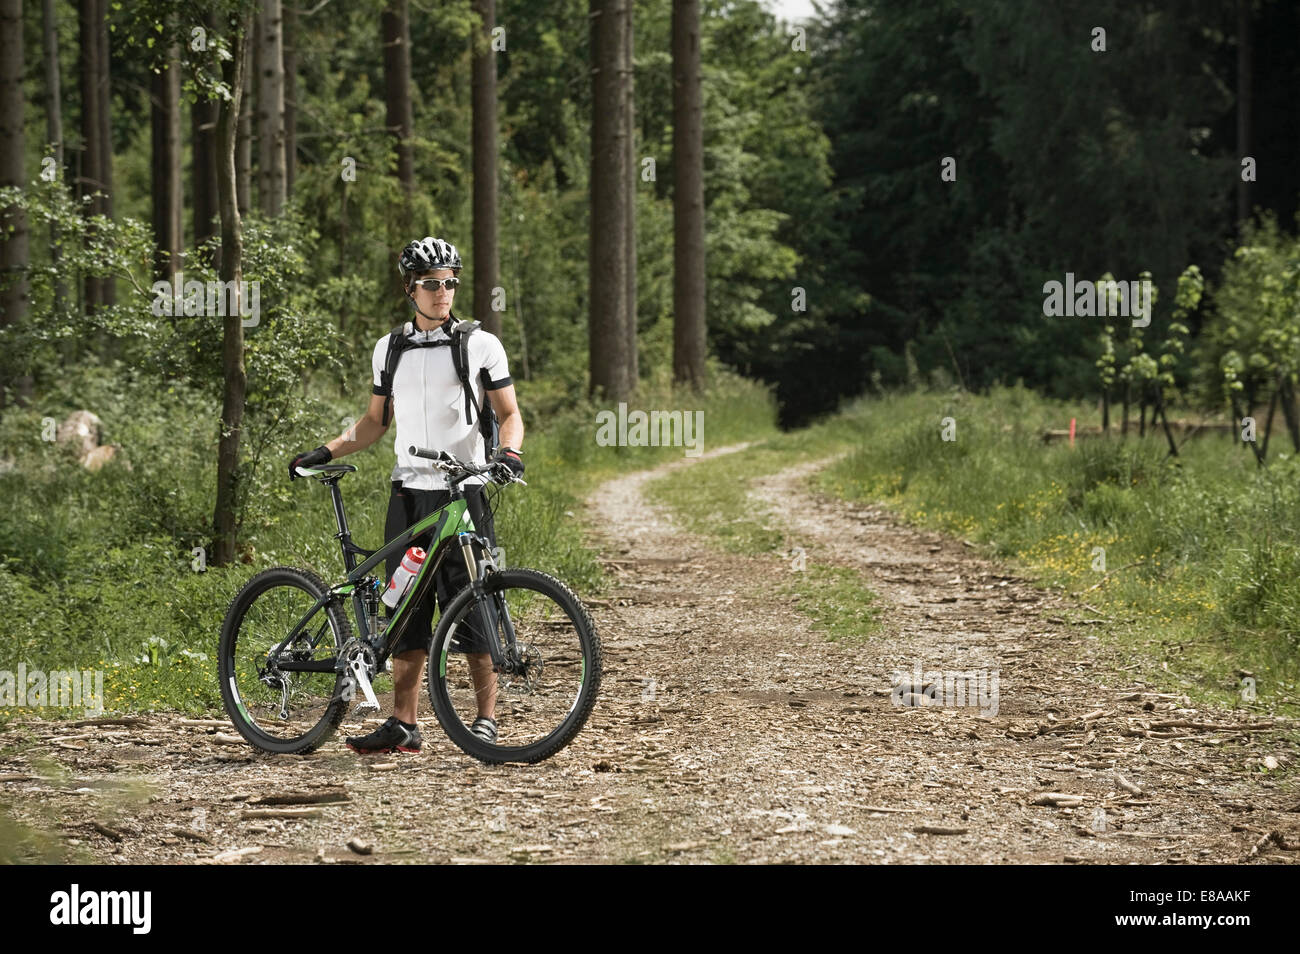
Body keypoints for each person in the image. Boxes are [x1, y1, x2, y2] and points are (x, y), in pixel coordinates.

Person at [287, 236, 525, 754]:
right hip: (408, 494)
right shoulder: (389, 349)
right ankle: (404, 723)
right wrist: (324, 451)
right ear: (409, 289)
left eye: (451, 283)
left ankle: (485, 719)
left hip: (463, 493)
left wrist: (508, 453)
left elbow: (509, 414)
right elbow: (374, 423)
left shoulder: (479, 344)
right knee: (404, 610)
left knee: (474, 605)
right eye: (432, 284)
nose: (444, 293)